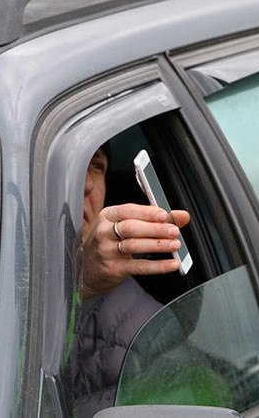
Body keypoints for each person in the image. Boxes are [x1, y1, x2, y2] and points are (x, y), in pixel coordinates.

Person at [73, 144, 191, 417]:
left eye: (97, 165)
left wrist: (83, 288)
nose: (88, 183)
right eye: (71, 162)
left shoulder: (150, 334)